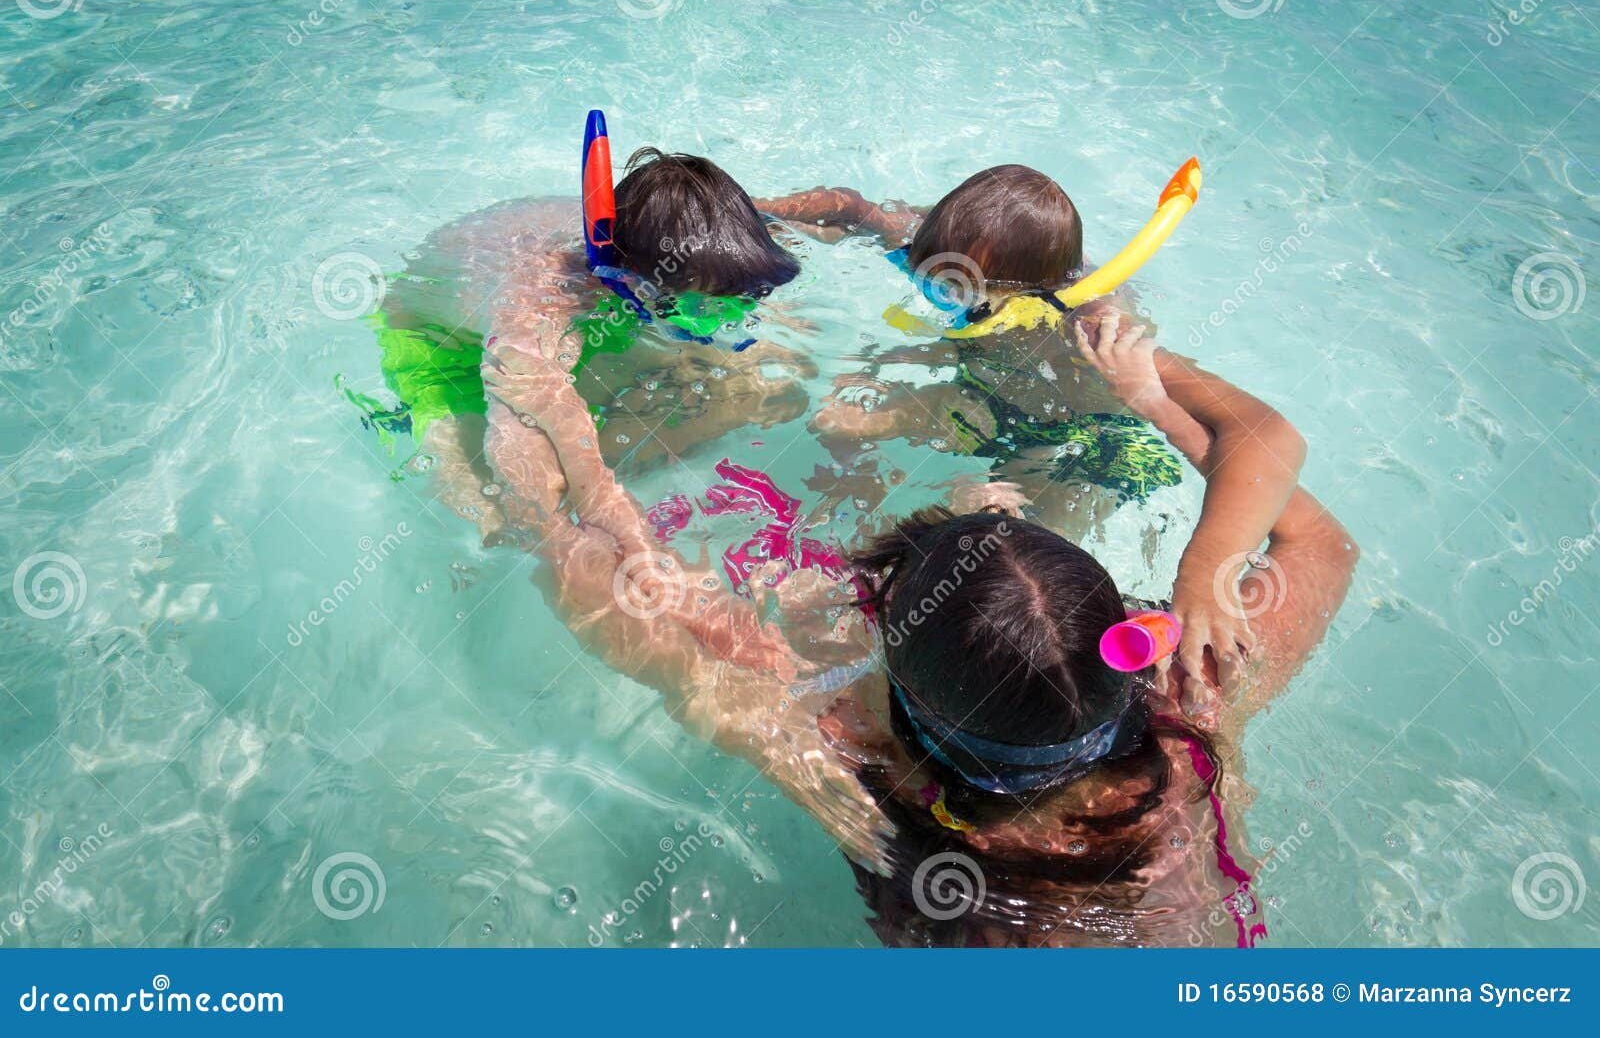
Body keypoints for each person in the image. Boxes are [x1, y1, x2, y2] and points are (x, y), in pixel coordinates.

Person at [473, 302, 1358, 947]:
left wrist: (565, 432)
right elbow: (1321, 540)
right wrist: (1150, 393)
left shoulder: (834, 754)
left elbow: (591, 575)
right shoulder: (1200, 695)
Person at [345, 147, 815, 534]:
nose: (729, 321)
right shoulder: (537, 304)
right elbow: (520, 446)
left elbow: (829, 210)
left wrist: (856, 220)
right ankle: (413, 416)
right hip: (441, 341)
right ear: (629, 279)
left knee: (764, 375)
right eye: (699, 306)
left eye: (747, 297)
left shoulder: (710, 236)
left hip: (587, 311)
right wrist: (597, 519)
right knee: (503, 516)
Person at [756, 168, 1184, 538]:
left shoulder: (1091, 324)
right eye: (932, 278)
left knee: (1003, 531)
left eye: (954, 290)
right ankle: (861, 499)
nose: (940, 296)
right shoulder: (943, 248)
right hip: (982, 401)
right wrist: (755, 216)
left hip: (1075, 440)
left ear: (1025, 289)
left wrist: (1114, 350)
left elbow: (1181, 397)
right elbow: (849, 207)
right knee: (837, 422)